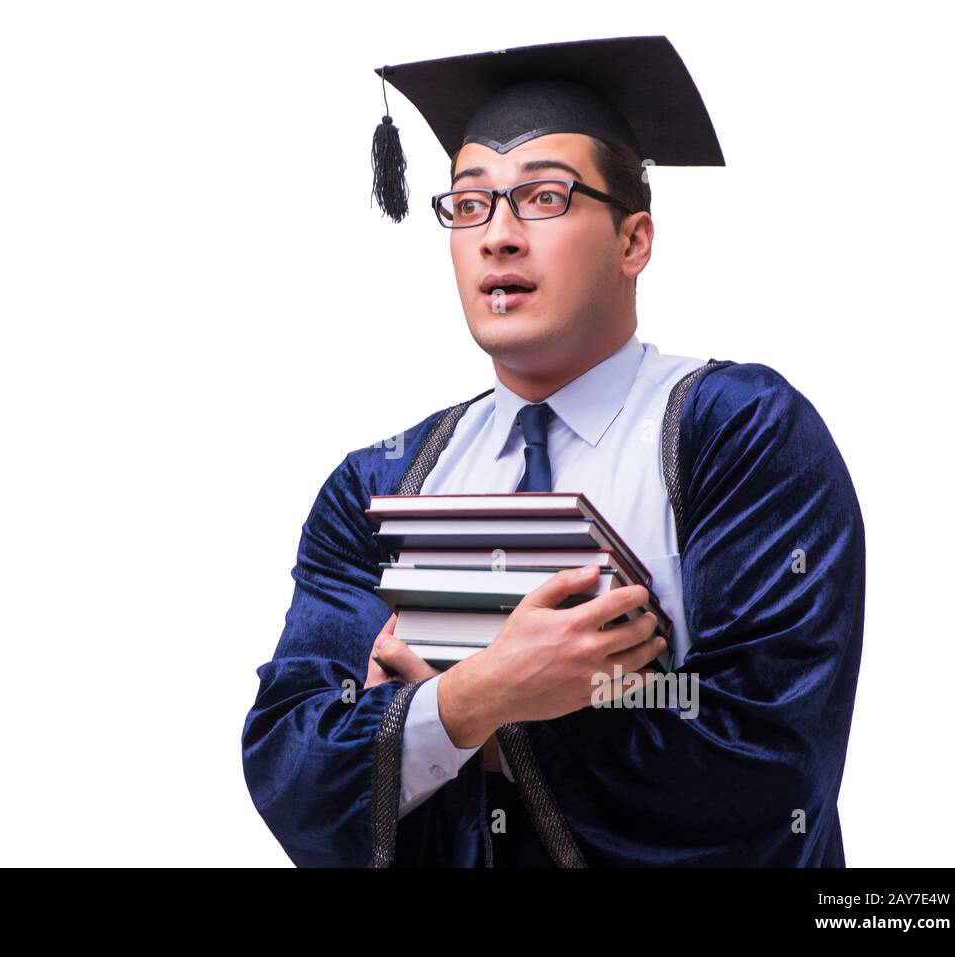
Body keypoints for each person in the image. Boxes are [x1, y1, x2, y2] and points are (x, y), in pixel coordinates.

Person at [240, 35, 865, 867]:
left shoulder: (740, 433)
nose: (498, 237)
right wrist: (486, 694)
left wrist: (458, 719)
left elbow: (772, 764)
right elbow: (292, 766)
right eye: (469, 205)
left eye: (543, 197)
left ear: (634, 240)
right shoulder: (379, 484)